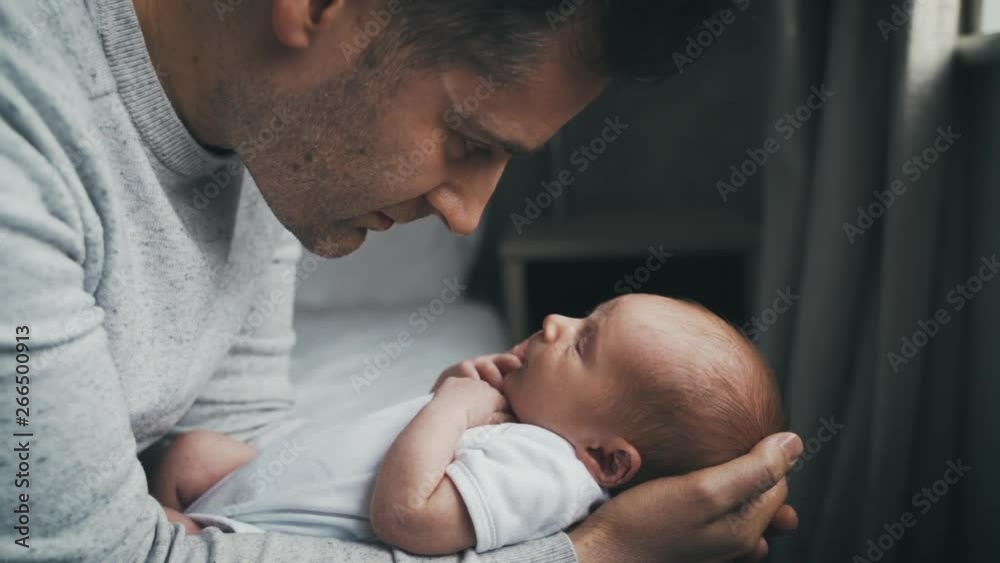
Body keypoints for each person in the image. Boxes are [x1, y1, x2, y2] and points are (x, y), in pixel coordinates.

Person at [0, 0, 801, 561]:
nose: (465, 214)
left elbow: (240, 449)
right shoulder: (22, 150)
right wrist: (599, 552)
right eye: (467, 139)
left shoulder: (257, 134)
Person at [152, 294, 786, 557]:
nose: (557, 322)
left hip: (262, 532)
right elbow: (428, 446)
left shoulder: (550, 473)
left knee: (174, 518)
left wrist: (452, 406)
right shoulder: (529, 429)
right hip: (271, 482)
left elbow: (407, 516)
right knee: (195, 451)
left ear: (609, 460)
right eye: (584, 316)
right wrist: (456, 388)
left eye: (584, 344)